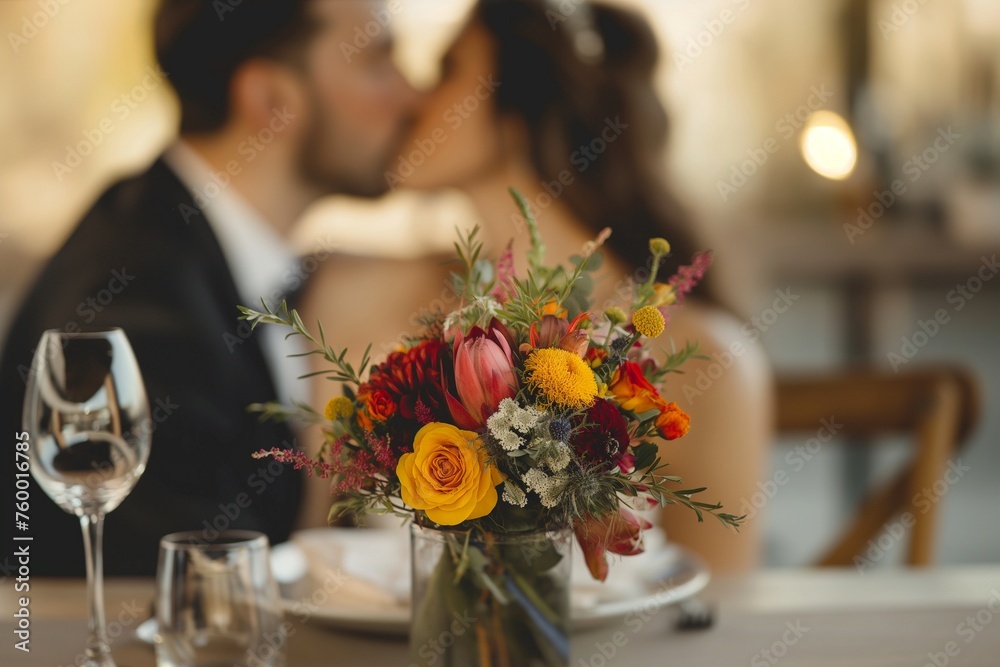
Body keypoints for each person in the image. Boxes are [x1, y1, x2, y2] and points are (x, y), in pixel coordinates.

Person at [0, 0, 420, 575]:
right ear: (273, 101)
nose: (413, 96)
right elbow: (200, 601)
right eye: (377, 62)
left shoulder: (204, 246)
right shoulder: (138, 301)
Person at [372, 0, 772, 571]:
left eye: (447, 70)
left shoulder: (710, 359)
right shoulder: (401, 314)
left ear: (518, 112)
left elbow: (717, 616)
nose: (413, 98)